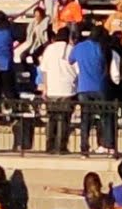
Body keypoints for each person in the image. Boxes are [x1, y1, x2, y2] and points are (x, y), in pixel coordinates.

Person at [70, 24, 114, 155]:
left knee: (85, 118)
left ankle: (84, 146)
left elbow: (70, 60)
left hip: (83, 87)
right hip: (100, 86)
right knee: (105, 117)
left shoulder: (79, 47)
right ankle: (107, 144)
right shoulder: (101, 47)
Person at [39, 29, 78, 154]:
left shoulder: (49, 49)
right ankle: (61, 146)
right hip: (68, 89)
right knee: (64, 119)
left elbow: (44, 70)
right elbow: (78, 71)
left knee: (52, 119)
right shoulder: (71, 49)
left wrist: (45, 87)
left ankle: (49, 145)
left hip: (52, 89)